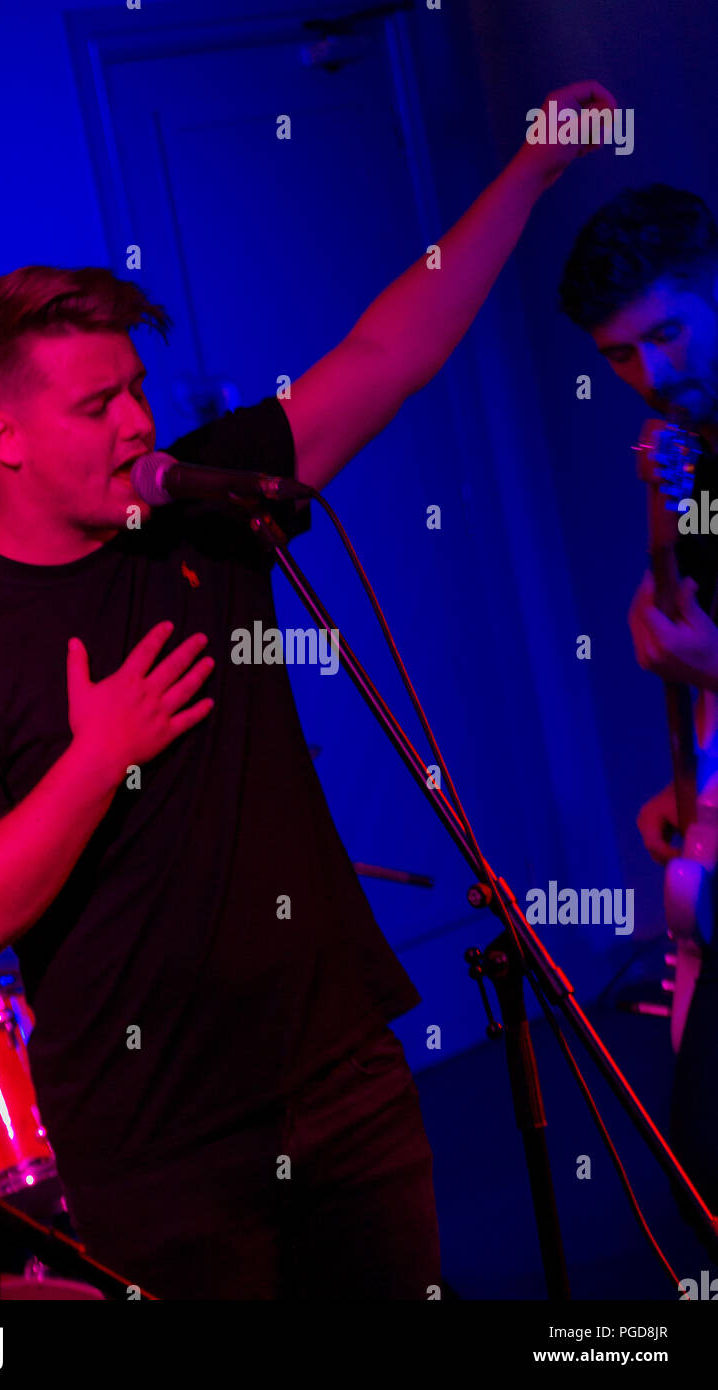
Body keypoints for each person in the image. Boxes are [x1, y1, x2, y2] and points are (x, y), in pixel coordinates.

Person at [0, 80, 612, 1300]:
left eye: (136, 390)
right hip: (162, 1148)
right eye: (95, 403)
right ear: (1, 435)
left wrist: (529, 166)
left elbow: (390, 351)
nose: (136, 422)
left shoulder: (201, 515)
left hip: (340, 1075)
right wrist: (96, 753)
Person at [559, 184, 718, 1215]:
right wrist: (698, 783)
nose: (647, 376)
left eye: (664, 334)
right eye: (618, 354)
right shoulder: (692, 448)